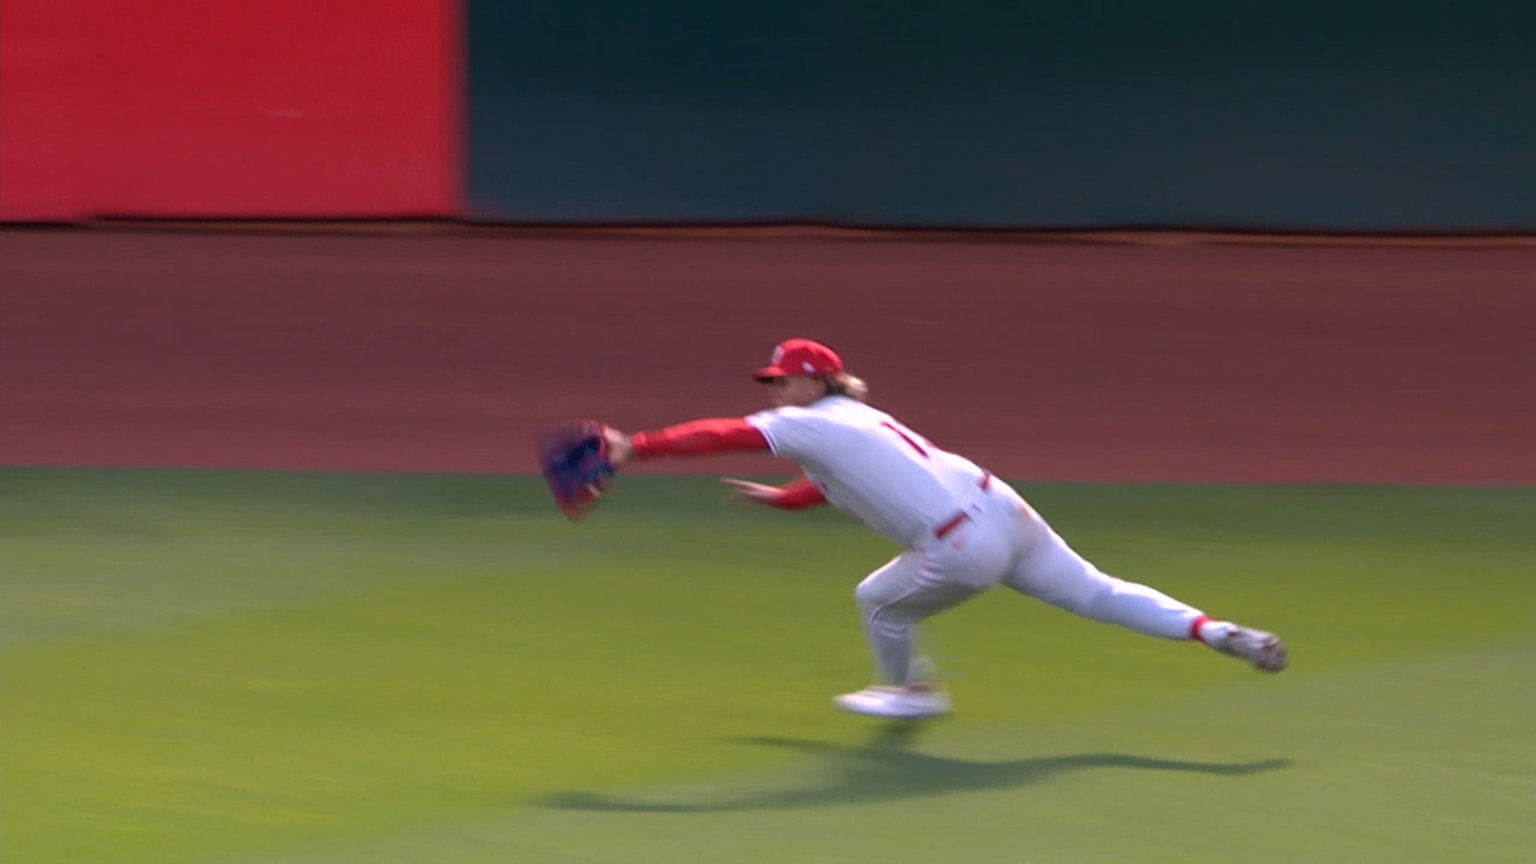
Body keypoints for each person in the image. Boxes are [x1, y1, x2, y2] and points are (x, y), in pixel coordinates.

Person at [600, 338, 1288, 719]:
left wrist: (636, 447)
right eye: (771, 381)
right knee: (1097, 592)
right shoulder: (855, 421)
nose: (774, 390)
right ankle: (1217, 632)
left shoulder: (806, 424)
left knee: (878, 603)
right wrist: (786, 501)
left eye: (784, 380)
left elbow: (724, 434)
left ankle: (912, 693)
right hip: (1002, 510)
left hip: (961, 546)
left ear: (818, 384)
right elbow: (847, 479)